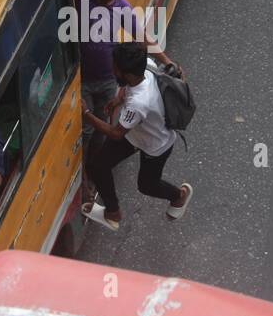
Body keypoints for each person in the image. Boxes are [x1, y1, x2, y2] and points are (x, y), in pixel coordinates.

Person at [77, 0, 177, 200]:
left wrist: (167, 61)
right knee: (85, 132)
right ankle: (81, 175)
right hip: (81, 79)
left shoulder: (121, 7)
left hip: (108, 81)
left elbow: (143, 37)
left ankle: (91, 173)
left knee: (99, 126)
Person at [81, 42, 192, 231]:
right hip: (136, 133)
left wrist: (86, 114)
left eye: (115, 68)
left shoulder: (139, 104)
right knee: (98, 166)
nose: (112, 71)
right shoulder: (146, 65)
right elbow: (128, 88)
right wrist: (118, 98)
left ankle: (179, 196)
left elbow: (116, 133)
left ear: (127, 74)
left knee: (147, 186)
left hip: (155, 146)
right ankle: (112, 212)